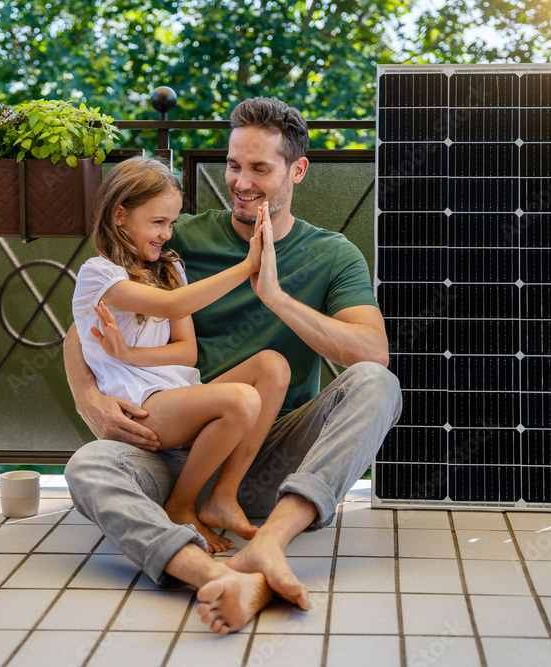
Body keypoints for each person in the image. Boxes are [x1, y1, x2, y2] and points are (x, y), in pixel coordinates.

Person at [63, 97, 402, 635]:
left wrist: (276, 297)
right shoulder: (177, 238)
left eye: (260, 169)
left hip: (274, 456)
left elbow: (372, 352)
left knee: (377, 384)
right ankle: (211, 576)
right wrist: (91, 399)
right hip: (172, 449)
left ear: (298, 169)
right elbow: (83, 329)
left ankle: (267, 545)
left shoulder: (332, 254)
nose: (241, 183)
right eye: (234, 165)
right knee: (87, 468)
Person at [72, 155, 291, 553]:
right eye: (158, 223)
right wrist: (249, 266)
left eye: (171, 223)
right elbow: (172, 308)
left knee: (272, 367)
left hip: (176, 396)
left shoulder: (170, 267)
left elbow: (187, 353)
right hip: (143, 408)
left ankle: (222, 497)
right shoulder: (97, 275)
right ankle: (181, 506)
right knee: (241, 399)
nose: (167, 234)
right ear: (119, 216)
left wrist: (130, 353)